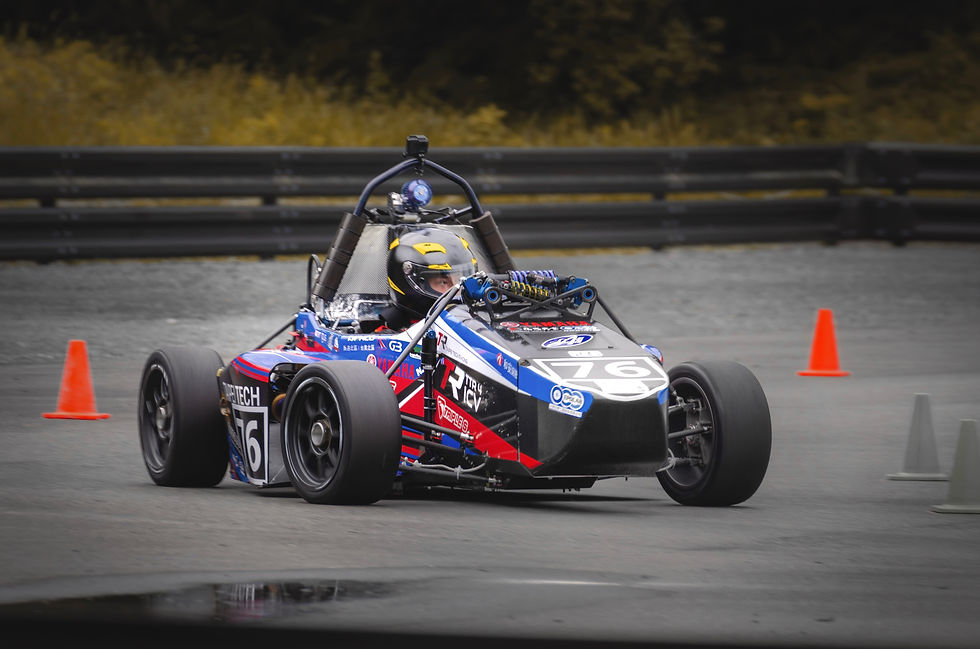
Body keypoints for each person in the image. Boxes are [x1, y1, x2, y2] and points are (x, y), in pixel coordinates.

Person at [379, 228, 478, 331]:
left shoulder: (483, 321)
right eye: (443, 282)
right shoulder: (386, 340)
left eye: (460, 280)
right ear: (408, 285)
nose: (456, 290)